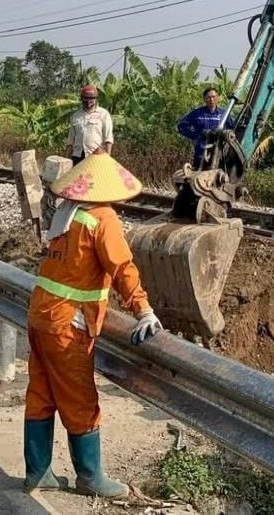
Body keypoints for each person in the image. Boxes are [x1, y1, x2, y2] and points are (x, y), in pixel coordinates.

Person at [23, 153, 162, 498]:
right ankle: (90, 477)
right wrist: (143, 309)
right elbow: (122, 267)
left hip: (41, 314)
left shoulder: (68, 213)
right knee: (79, 398)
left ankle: (38, 473)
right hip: (67, 323)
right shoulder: (103, 218)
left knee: (41, 394)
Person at [175, 87, 235, 168]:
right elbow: (182, 126)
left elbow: (233, 129)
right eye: (209, 97)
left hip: (218, 154)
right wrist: (196, 135)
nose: (211, 99)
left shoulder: (224, 114)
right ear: (205, 99)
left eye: (213, 97)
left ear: (217, 98)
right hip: (201, 154)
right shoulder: (197, 113)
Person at [66, 84, 113, 162]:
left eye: (91, 98)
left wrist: (108, 160)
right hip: (77, 156)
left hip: (96, 157)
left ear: (96, 99)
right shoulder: (76, 115)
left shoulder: (103, 114)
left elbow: (108, 139)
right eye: (86, 98)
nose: (88, 101)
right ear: (82, 98)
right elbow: (70, 141)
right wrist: (66, 159)